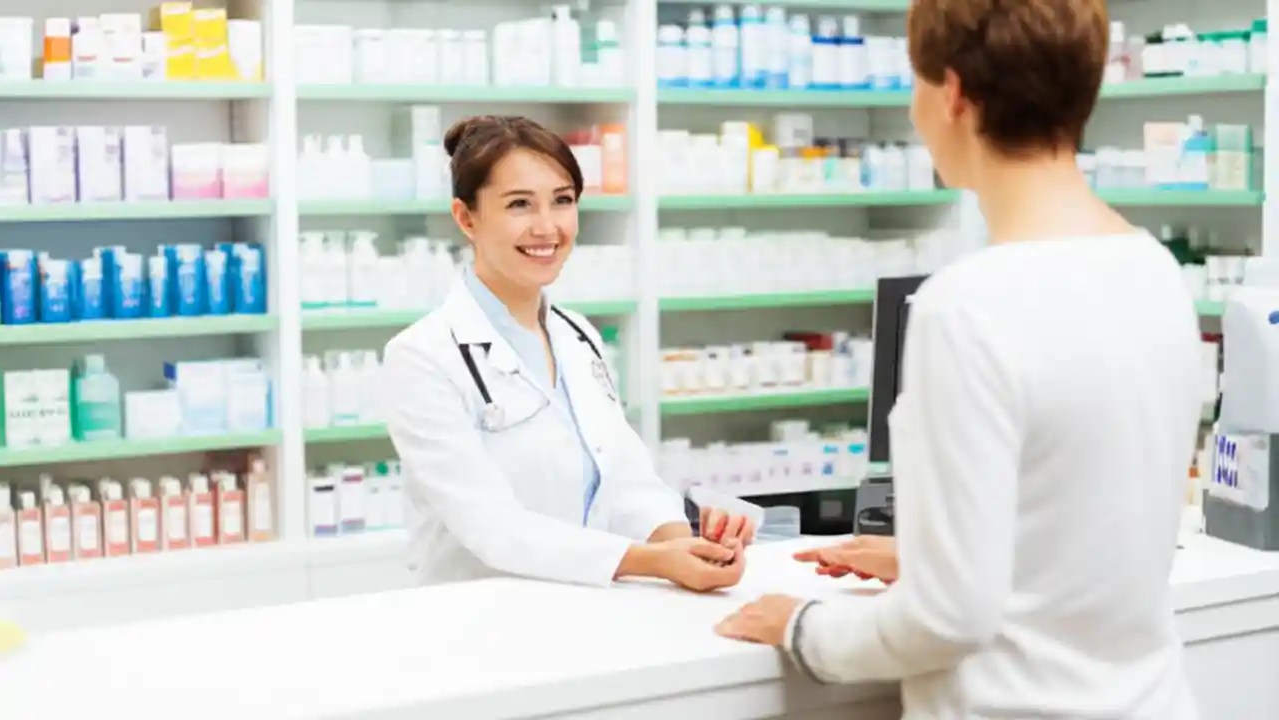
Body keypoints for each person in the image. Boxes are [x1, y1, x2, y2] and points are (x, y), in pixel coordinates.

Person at [715, 2, 1203, 718]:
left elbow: (947, 622)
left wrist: (800, 625)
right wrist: (934, 557)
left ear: (952, 93)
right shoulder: (1153, 269)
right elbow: (1086, 531)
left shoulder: (967, 305)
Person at [380, 115, 755, 591]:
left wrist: (688, 546)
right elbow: (492, 528)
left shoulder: (578, 335)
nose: (547, 227)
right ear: (466, 217)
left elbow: (627, 481)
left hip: (587, 610)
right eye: (519, 204)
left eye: (563, 201)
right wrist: (655, 561)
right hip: (478, 625)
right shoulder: (421, 357)